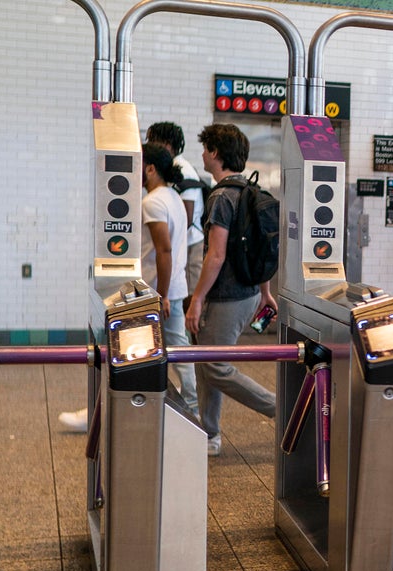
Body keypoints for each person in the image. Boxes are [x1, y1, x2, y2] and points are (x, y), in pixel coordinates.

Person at [58, 143, 200, 431]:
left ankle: (105, 413)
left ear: (150, 168)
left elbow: (164, 250)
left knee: (127, 351)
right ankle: (190, 408)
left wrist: (159, 295)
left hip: (158, 292)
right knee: (178, 351)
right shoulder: (173, 196)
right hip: (171, 288)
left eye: (140, 166)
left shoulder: (154, 202)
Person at [186, 123, 277, 456]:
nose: (202, 154)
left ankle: (282, 411)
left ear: (214, 153)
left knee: (216, 367)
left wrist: (197, 299)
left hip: (226, 297)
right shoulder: (251, 190)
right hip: (250, 292)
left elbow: (217, 253)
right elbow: (260, 248)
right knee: (206, 364)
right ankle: (209, 434)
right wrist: (265, 291)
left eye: (205, 148)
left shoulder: (222, 196)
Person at [146, 122, 207, 314]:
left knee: (188, 302)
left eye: (154, 141)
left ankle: (193, 343)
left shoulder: (182, 168)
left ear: (168, 144)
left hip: (189, 245)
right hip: (179, 246)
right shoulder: (171, 166)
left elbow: (187, 215)